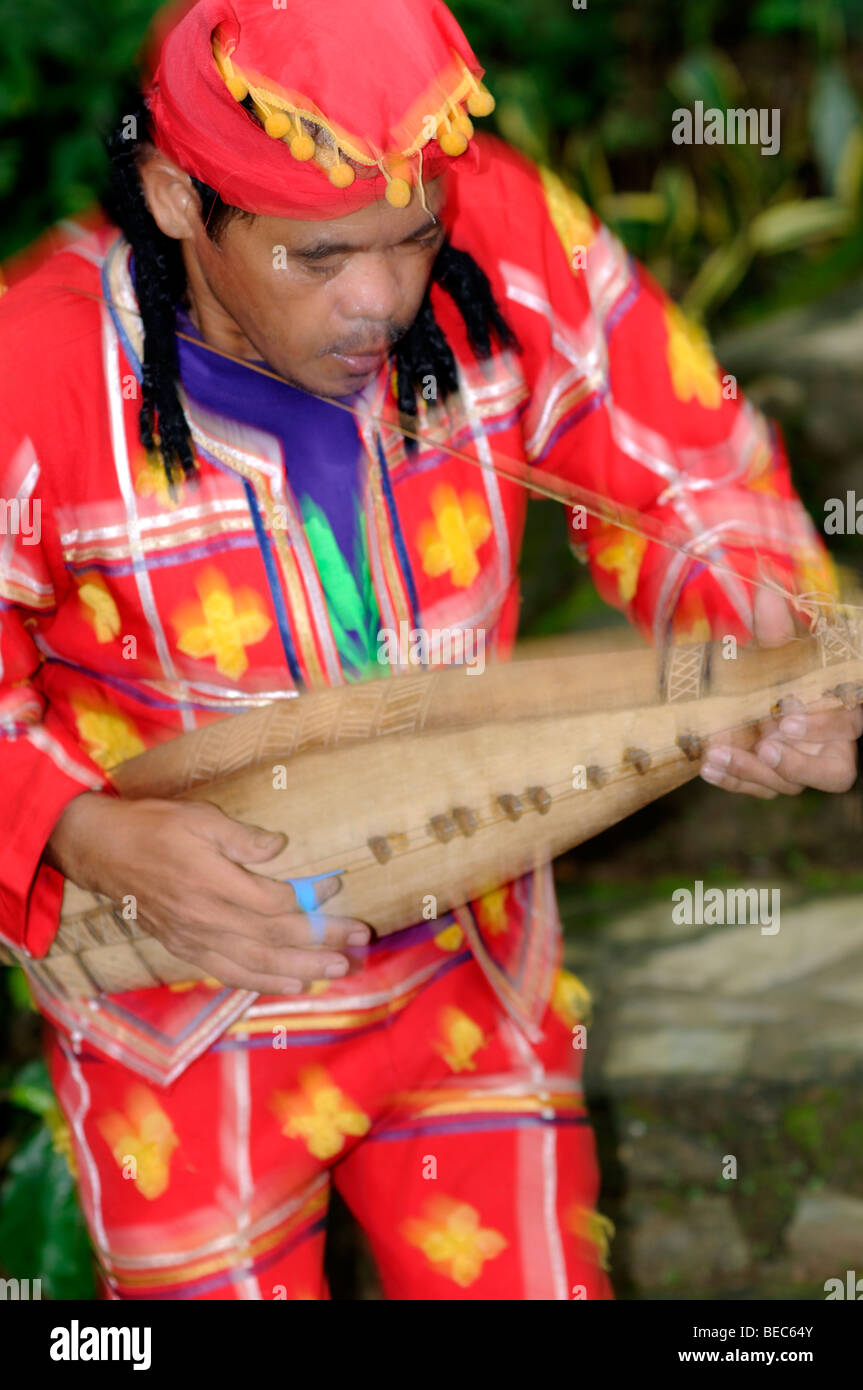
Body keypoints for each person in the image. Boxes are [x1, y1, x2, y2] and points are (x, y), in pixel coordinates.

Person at [0, 0, 859, 1301]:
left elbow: (687, 457)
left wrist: (761, 637)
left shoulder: (504, 225)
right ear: (178, 198)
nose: (384, 299)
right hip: (182, 1021)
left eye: (414, 241)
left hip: (475, 960)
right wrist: (74, 830)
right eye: (317, 257)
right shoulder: (35, 367)